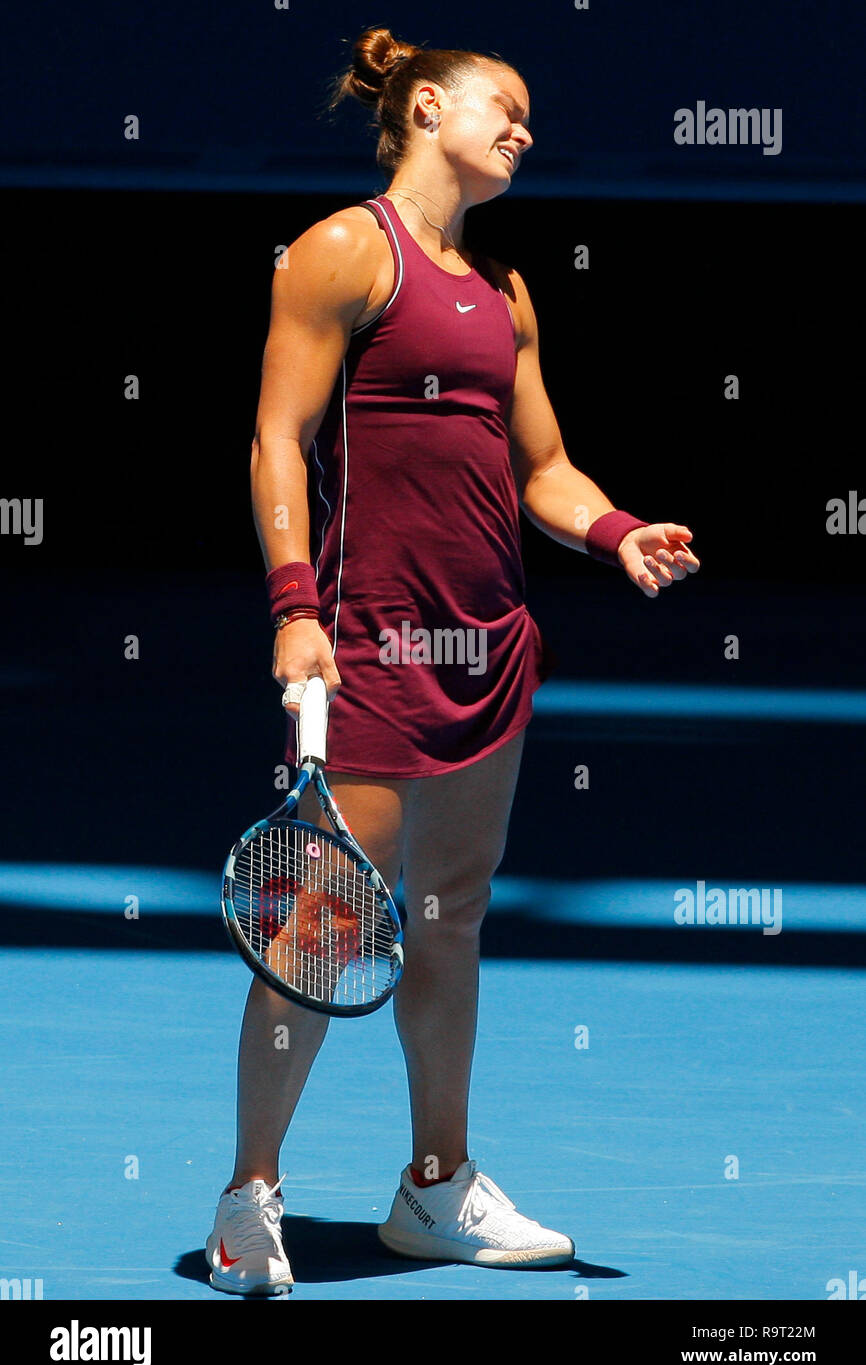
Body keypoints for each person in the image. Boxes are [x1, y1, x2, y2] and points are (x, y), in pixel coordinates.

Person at [205, 26, 700, 1296]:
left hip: (487, 653)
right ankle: (248, 1196)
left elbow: (543, 467)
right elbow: (277, 438)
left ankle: (434, 1185)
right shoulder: (341, 251)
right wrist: (290, 604)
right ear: (425, 107)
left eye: (531, 114)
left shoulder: (510, 293)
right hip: (367, 641)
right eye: (505, 106)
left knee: (447, 921)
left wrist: (615, 528)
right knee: (318, 928)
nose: (525, 128)